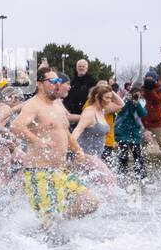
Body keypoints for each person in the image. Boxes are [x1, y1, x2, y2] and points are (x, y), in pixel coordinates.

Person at [9, 73, 102, 225]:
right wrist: (38, 141)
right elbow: (16, 126)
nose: (57, 84)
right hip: (39, 173)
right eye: (53, 81)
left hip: (60, 171)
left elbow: (65, 131)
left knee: (91, 202)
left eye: (59, 81)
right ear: (40, 84)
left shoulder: (57, 107)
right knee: (47, 223)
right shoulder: (33, 105)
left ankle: (59, 222)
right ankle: (37, 240)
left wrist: (77, 149)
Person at [113, 84, 147, 181]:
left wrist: (137, 103)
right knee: (123, 156)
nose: (136, 97)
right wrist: (128, 101)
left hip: (135, 133)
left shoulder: (141, 103)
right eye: (134, 95)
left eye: (138, 95)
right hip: (123, 132)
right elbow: (120, 111)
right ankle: (122, 175)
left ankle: (141, 176)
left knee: (138, 155)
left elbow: (143, 114)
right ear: (130, 94)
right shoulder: (124, 101)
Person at [141, 70, 161, 157]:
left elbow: (158, 100)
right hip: (145, 120)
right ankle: (139, 156)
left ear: (155, 80)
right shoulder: (143, 88)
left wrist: (150, 90)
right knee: (143, 140)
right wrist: (145, 89)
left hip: (157, 121)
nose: (148, 81)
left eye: (150, 79)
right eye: (147, 79)